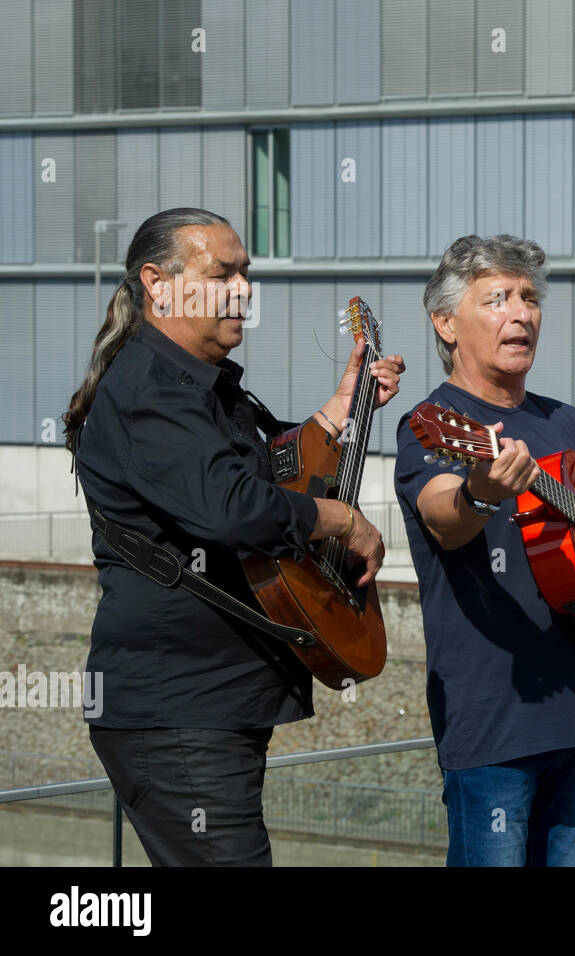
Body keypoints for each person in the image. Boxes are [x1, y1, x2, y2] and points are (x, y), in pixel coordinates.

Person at [66, 207, 404, 866]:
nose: (244, 290)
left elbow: (267, 467)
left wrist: (339, 411)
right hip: (178, 708)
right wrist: (342, 521)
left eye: (246, 274)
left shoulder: (204, 392)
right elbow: (233, 507)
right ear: (158, 284)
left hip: (209, 703)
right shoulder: (150, 389)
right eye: (224, 273)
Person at [393, 234, 575, 867]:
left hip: (572, 715)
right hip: (489, 724)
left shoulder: (567, 423)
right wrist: (479, 490)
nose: (521, 313)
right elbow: (443, 517)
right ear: (445, 322)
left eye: (529, 298)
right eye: (497, 299)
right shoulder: (434, 423)